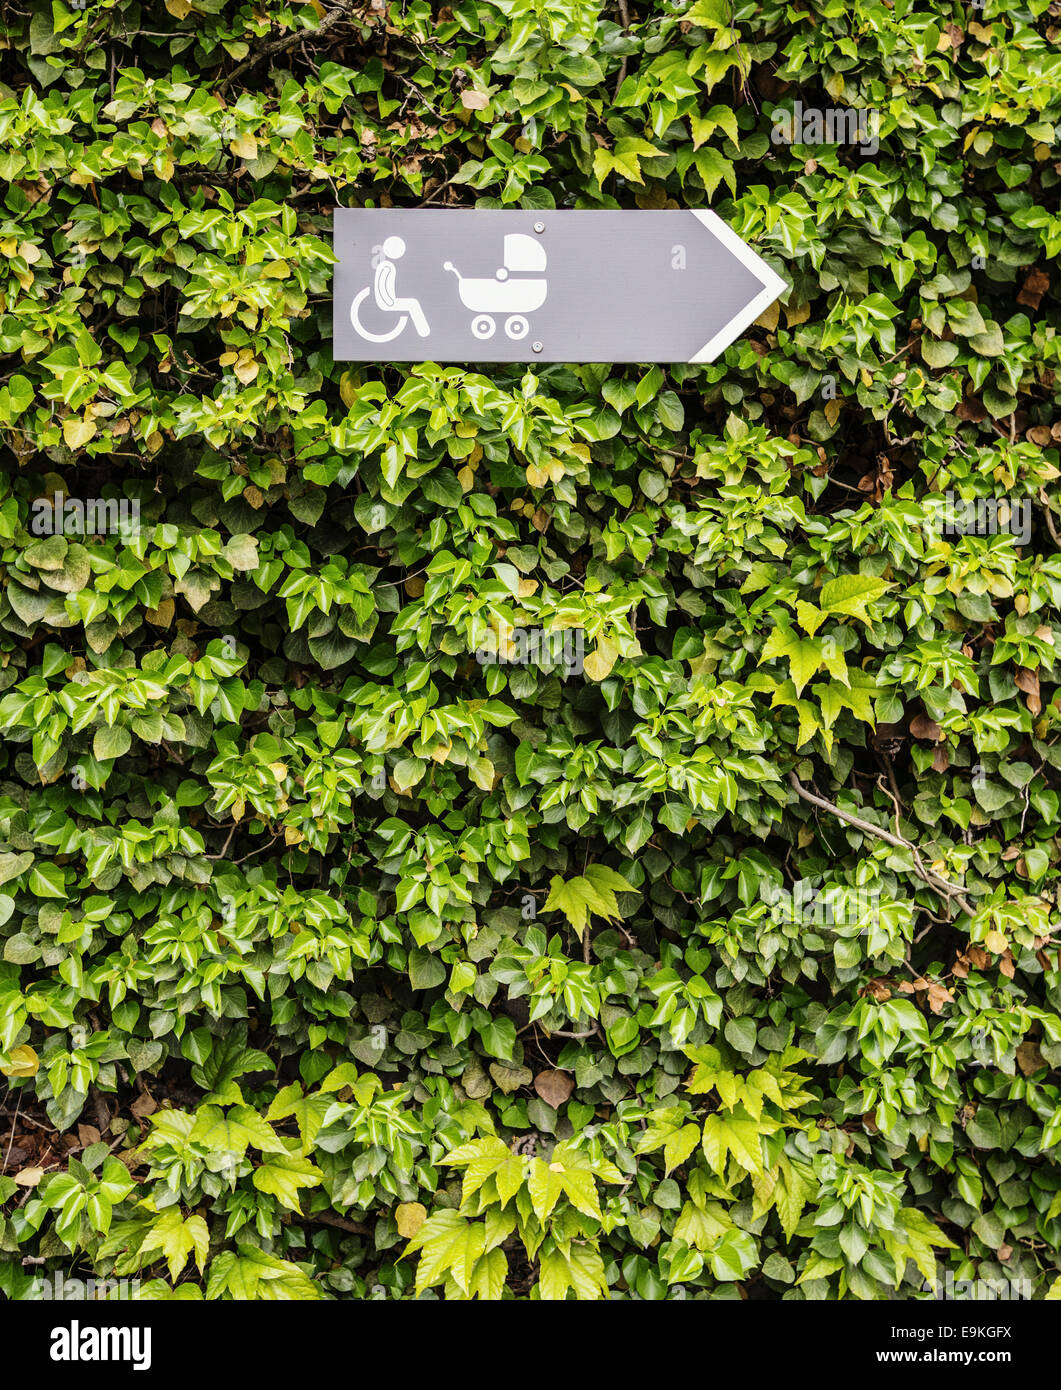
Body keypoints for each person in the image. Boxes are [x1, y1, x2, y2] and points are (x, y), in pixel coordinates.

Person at [373, 236, 430, 337]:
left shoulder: (387, 265)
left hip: (388, 299)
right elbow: (381, 285)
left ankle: (424, 331)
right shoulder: (386, 266)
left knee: (413, 303)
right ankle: (424, 331)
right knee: (413, 303)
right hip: (387, 301)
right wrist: (388, 301)